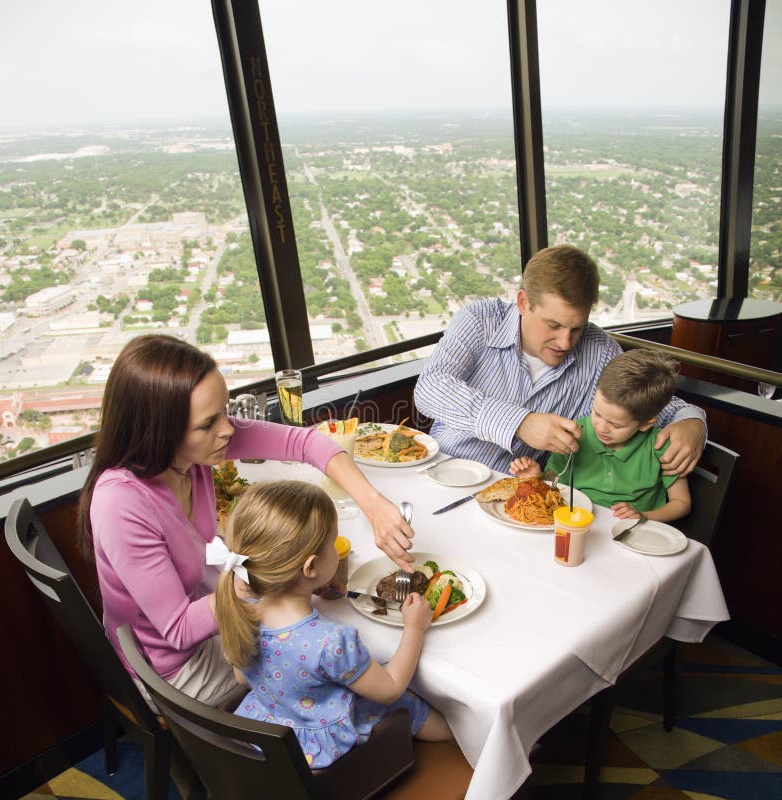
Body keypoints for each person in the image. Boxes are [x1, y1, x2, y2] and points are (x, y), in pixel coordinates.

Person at [77, 334, 413, 706]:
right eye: (208, 423)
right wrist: (277, 579)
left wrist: (375, 505)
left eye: (224, 410)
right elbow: (179, 630)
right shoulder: (119, 503)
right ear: (159, 430)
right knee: (342, 661)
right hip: (174, 670)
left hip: (207, 616)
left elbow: (307, 443)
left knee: (331, 632)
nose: (227, 429)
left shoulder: (194, 451)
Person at [413, 244, 706, 480]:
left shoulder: (600, 351)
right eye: (553, 325)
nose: (566, 343)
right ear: (523, 303)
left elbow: (648, 405)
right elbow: (430, 389)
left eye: (577, 328)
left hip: (514, 500)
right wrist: (521, 423)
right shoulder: (480, 320)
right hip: (441, 474)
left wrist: (692, 422)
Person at [213, 480, 452, 768]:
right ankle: (461, 749)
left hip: (271, 726)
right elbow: (390, 688)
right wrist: (415, 628)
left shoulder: (241, 608)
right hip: (317, 749)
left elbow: (242, 678)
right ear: (311, 567)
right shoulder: (331, 642)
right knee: (410, 704)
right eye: (332, 543)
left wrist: (308, 588)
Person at [510, 350, 692, 523]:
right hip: (576, 524)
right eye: (597, 413)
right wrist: (538, 477)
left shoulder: (661, 447)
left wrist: (643, 516)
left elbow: (681, 504)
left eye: (616, 425)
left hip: (632, 533)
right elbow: (556, 483)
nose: (602, 427)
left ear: (645, 424)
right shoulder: (574, 433)